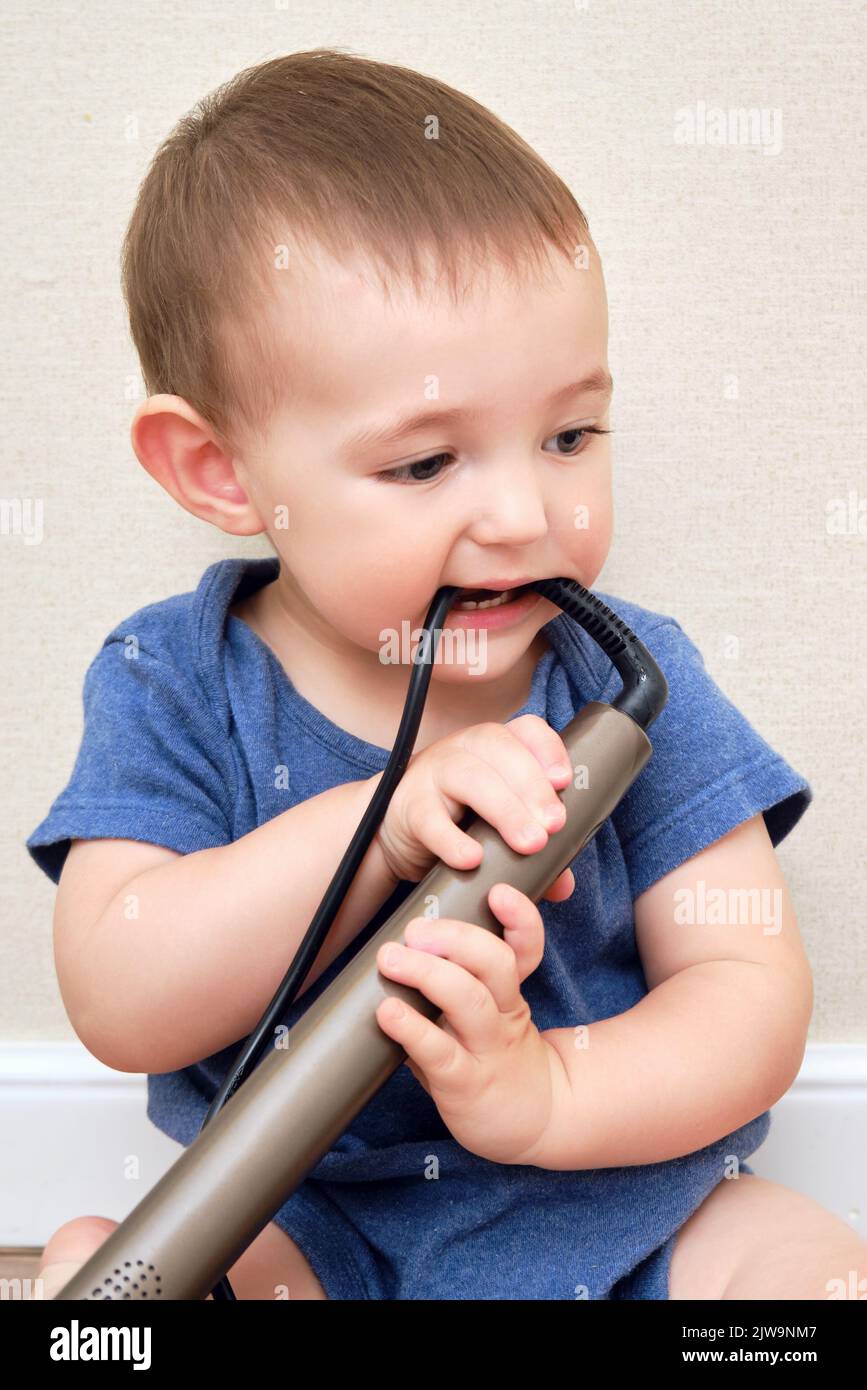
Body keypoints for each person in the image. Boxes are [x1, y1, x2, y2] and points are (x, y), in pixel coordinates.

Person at [27, 48, 867, 1300]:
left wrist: (549, 1099)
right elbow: (122, 994)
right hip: (307, 1222)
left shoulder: (628, 678)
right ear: (219, 472)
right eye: (426, 464)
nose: (528, 513)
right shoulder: (173, 675)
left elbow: (746, 989)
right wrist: (378, 825)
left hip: (616, 1206)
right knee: (112, 1285)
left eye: (571, 435)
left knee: (805, 1272)